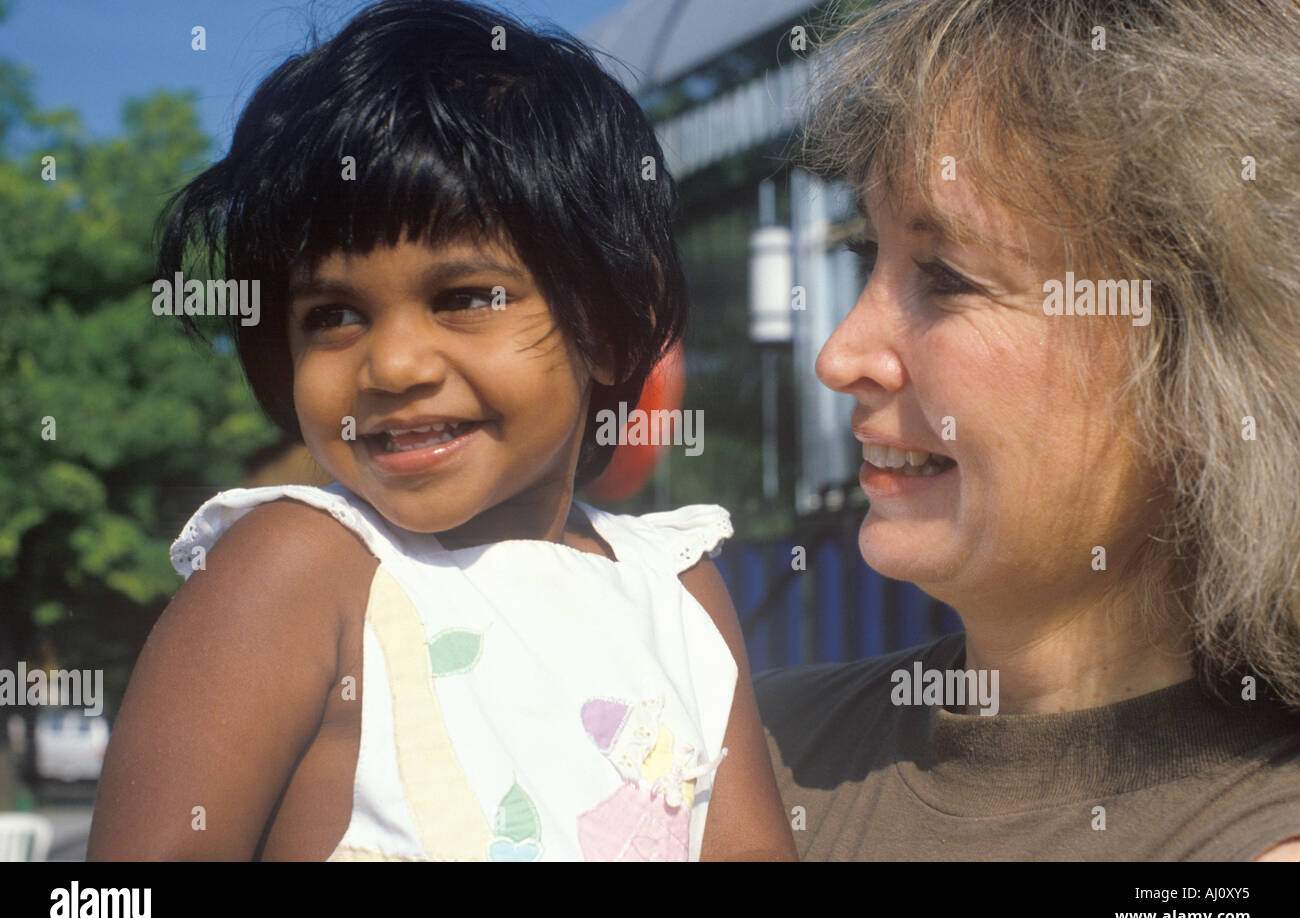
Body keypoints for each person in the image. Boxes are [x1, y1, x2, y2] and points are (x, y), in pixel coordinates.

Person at [87, 0, 795, 862]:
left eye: (464, 298)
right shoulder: (299, 568)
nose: (393, 366)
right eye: (335, 313)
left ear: (611, 326)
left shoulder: (679, 593)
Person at [757, 0, 1300, 860]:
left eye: (945, 275)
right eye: (869, 257)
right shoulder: (730, 755)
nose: (841, 354)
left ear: (1208, 350)